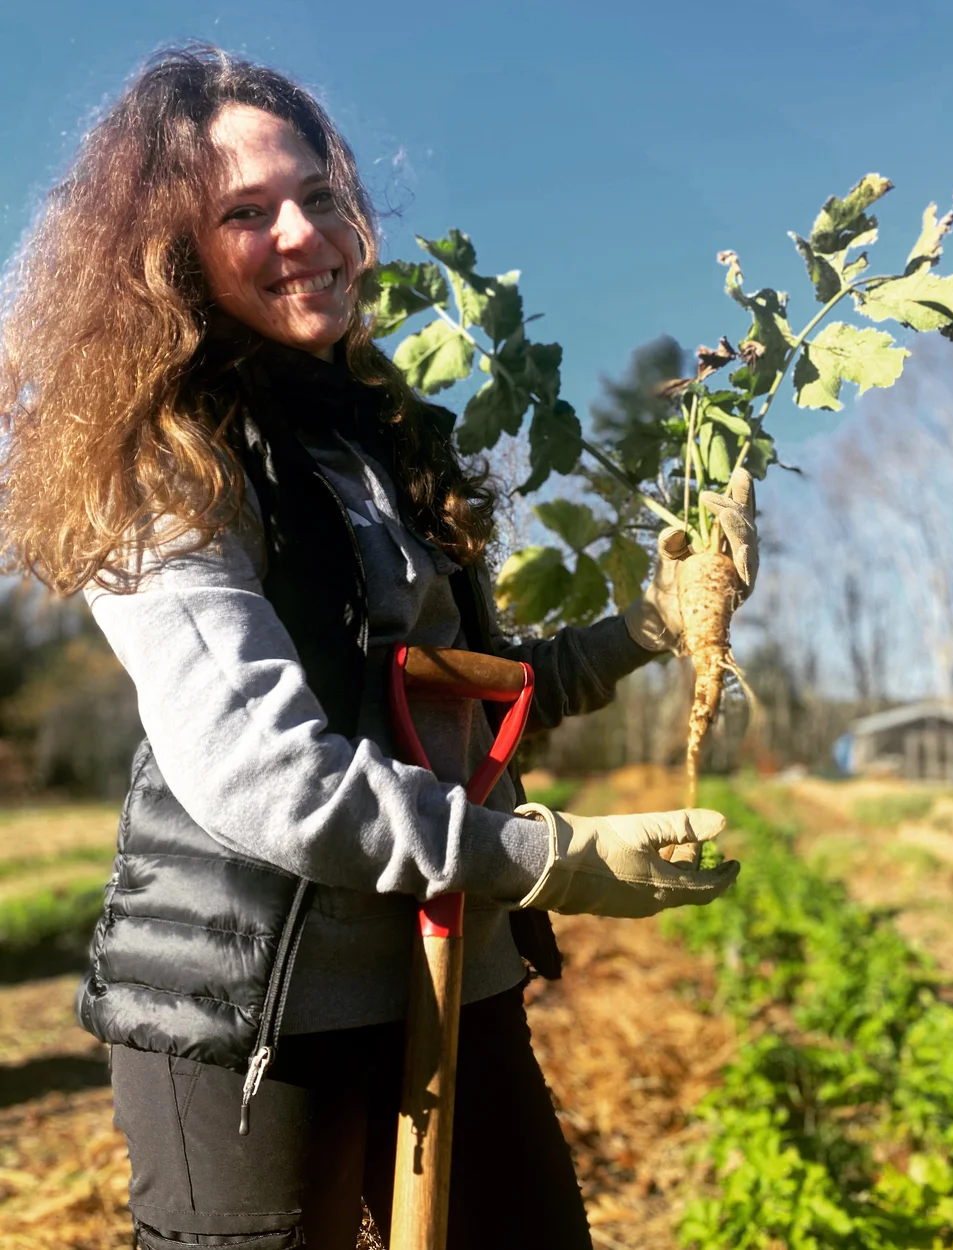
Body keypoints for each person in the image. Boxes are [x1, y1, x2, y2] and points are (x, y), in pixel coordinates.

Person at [0, 45, 757, 1250]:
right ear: (167, 253)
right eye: (245, 213)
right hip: (253, 1000)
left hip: (451, 969)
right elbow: (262, 766)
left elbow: (465, 693)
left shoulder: (376, 431)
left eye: (318, 194)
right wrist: (540, 854)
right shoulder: (163, 456)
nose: (304, 232)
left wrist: (653, 626)